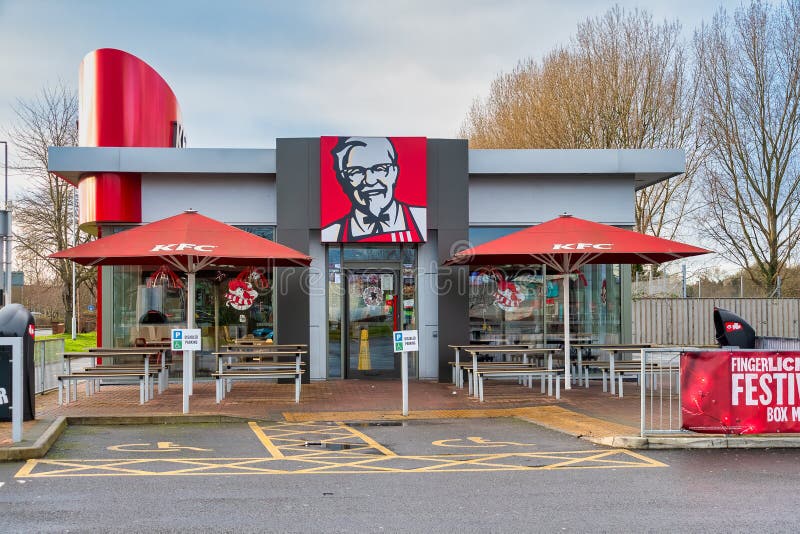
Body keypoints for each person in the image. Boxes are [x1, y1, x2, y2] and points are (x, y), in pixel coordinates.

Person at [321, 137, 425, 242]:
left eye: (380, 169)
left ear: (394, 172)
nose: (370, 181)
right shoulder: (332, 233)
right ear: (344, 178)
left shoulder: (421, 220)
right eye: (356, 171)